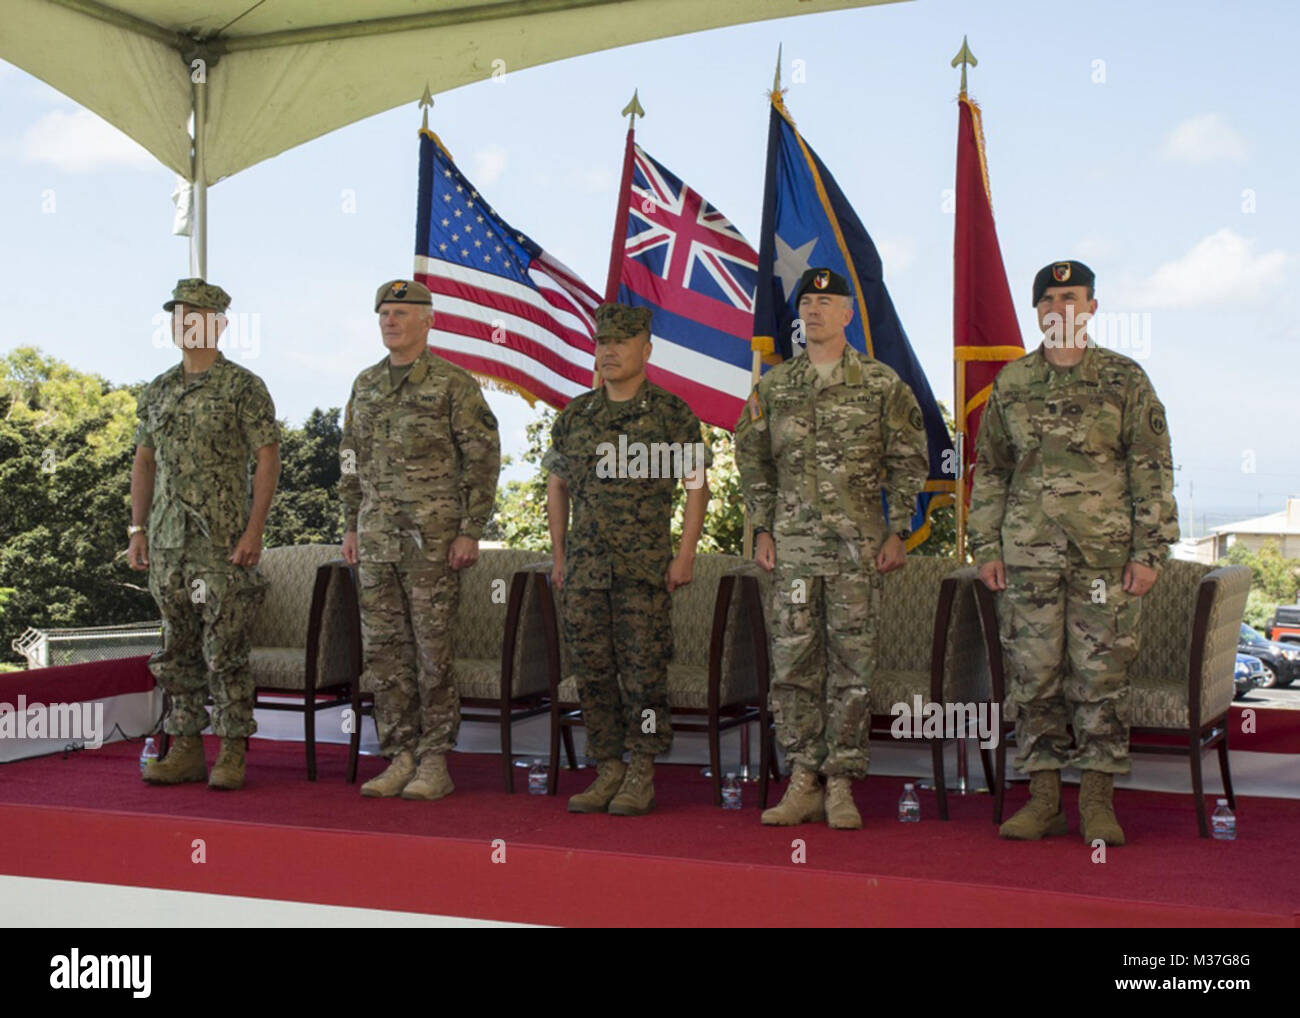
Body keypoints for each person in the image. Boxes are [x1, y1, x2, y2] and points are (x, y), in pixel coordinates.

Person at [968, 260, 1179, 846]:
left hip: (1104, 562)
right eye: (1050, 298)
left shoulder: (1125, 381)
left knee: (1100, 678)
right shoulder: (1011, 385)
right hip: (1028, 558)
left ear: (1091, 307)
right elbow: (991, 473)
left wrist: (1149, 551)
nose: (1060, 307)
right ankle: (1042, 799)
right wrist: (986, 545)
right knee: (1033, 678)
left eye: (1072, 297)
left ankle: (1096, 800)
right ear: (1037, 311)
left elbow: (1153, 471)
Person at [735, 267, 929, 829]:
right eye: (808, 302)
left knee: (852, 666)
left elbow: (909, 460)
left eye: (827, 301)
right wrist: (763, 528)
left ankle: (841, 781)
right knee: (793, 665)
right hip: (793, 551)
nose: (815, 309)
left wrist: (896, 529)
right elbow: (754, 461)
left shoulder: (881, 384)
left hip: (857, 552)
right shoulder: (774, 388)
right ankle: (802, 779)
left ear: (849, 313)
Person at [543, 303, 710, 816]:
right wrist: (559, 554)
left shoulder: (669, 412)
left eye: (620, 342)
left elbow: (697, 486)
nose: (608, 351)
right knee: (593, 673)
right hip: (586, 571)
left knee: (643, 676)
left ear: (646, 349)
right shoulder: (577, 415)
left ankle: (641, 770)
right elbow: (557, 485)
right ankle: (606, 767)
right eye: (602, 342)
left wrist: (685, 556)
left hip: (644, 570)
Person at [340, 279, 500, 800]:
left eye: (402, 313)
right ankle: (399, 754)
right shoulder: (364, 385)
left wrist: (470, 530)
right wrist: (349, 524)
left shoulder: (453, 384)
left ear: (428, 321)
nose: (391, 320)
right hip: (377, 541)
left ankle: (435, 760)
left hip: (433, 544)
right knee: (385, 655)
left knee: (434, 654)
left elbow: (482, 459)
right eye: (384, 312)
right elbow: (349, 460)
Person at [129, 278, 281, 791]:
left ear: (217, 323)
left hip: (223, 542)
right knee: (177, 649)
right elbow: (144, 461)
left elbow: (267, 457)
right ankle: (187, 747)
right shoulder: (159, 389)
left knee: (225, 651)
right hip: (169, 541)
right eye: (176, 314)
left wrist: (254, 530)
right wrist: (137, 528)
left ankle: (233, 750)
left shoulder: (243, 387)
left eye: (193, 314)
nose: (182, 322)